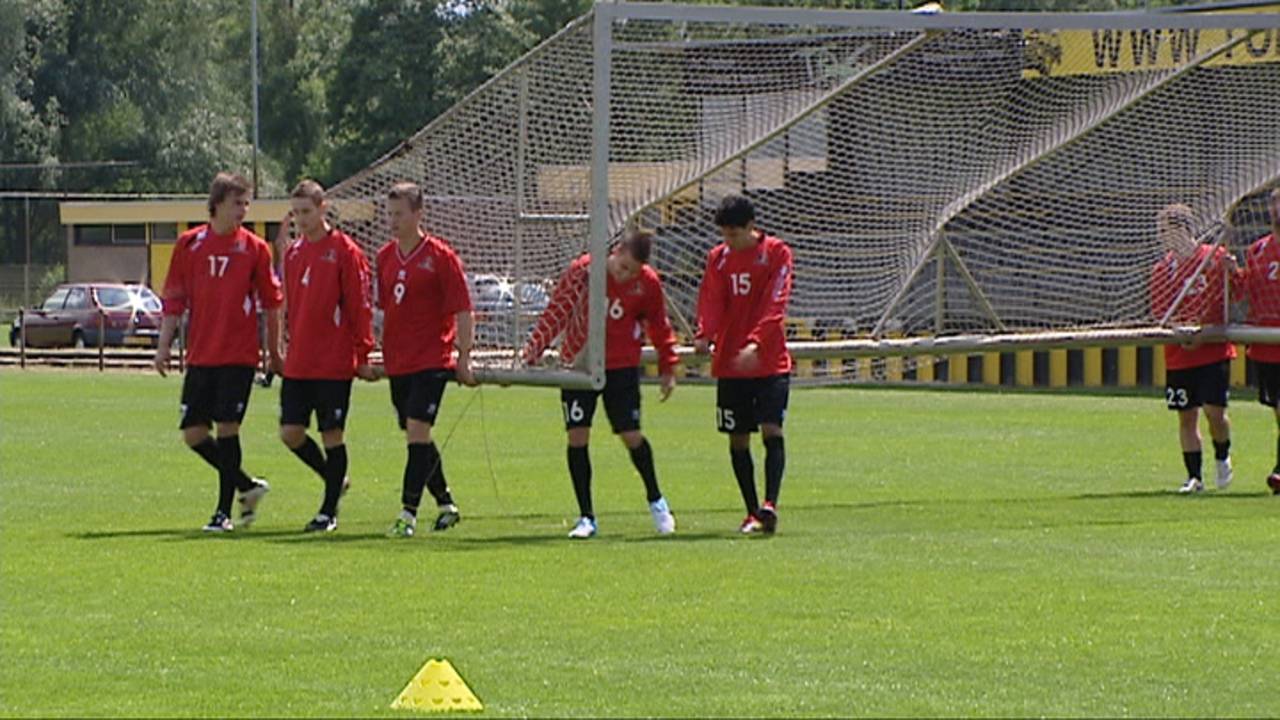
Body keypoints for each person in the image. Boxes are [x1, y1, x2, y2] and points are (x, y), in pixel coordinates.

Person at [522, 230, 680, 539]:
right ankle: (586, 517)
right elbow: (557, 310)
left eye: (632, 271)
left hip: (620, 369)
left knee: (631, 435)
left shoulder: (647, 283)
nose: (625, 276)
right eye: (623, 267)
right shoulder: (583, 270)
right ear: (616, 251)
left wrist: (668, 366)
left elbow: (660, 325)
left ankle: (657, 502)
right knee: (577, 436)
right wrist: (533, 350)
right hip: (578, 365)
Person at [153, 172, 283, 532]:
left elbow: (273, 303)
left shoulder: (255, 248)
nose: (242, 210)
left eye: (246, 203)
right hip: (201, 354)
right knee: (193, 433)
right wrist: (164, 346)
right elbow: (175, 298)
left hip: (238, 354)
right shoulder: (189, 244)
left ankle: (223, 512)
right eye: (236, 203)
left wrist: (274, 350)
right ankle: (247, 486)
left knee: (228, 429)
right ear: (217, 204)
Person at [376, 182, 477, 538]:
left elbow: (463, 309)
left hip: (431, 359)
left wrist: (463, 357)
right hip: (398, 361)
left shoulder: (440, 256)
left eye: (400, 214)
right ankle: (446, 504)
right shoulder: (385, 257)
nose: (393, 221)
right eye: (389, 214)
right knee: (415, 436)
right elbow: (385, 309)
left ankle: (407, 513)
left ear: (419, 214)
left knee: (417, 431)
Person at [275, 180, 376, 533]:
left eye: (307, 211)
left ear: (323, 208)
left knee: (332, 433)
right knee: (290, 433)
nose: (302, 219)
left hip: (333, 361)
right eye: (297, 212)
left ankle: (328, 511)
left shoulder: (346, 251)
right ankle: (335, 479)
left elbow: (359, 306)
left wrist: (363, 352)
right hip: (300, 360)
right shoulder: (293, 253)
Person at [694, 195, 793, 534]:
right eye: (724, 235)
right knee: (738, 439)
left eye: (734, 234)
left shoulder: (777, 254)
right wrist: (704, 334)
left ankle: (771, 503)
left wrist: (755, 341)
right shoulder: (718, 259)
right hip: (730, 364)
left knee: (771, 429)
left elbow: (775, 302)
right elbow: (711, 299)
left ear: (752, 228)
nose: (728, 241)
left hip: (770, 361)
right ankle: (753, 512)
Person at [1149, 202, 1239, 494]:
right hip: (1179, 356)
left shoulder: (1212, 258)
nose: (1161, 237)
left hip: (1212, 351)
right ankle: (1194, 477)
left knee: (1215, 413)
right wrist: (1181, 333)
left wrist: (1233, 271)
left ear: (1182, 229)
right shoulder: (1162, 270)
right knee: (1186, 416)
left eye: (1165, 230)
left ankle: (1223, 456)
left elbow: (1234, 294)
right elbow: (1160, 311)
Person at [1243, 189, 1280, 494]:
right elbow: (1244, 292)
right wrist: (1233, 275)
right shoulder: (1256, 250)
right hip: (1266, 348)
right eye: (1274, 204)